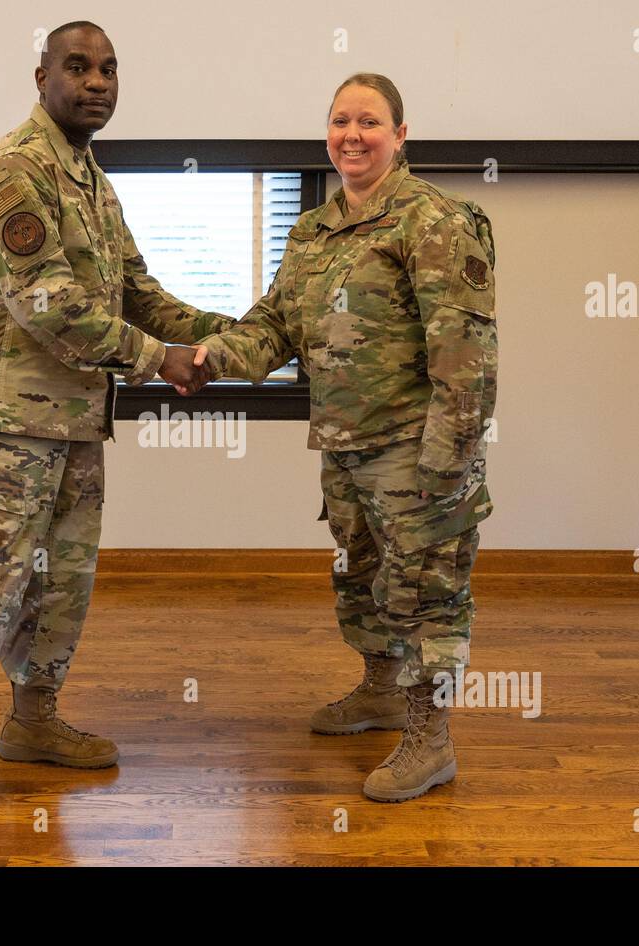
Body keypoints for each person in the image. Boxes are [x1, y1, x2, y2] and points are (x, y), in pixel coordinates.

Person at [0, 20, 227, 829]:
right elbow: (47, 305)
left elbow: (138, 293)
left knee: (60, 585)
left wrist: (237, 333)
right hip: (5, 424)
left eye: (110, 69)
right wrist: (162, 358)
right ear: (40, 76)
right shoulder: (16, 171)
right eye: (78, 67)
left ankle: (32, 721)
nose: (98, 82)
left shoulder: (92, 182)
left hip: (76, 424)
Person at [194, 73, 498, 802]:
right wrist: (203, 359)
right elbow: (274, 327)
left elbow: (466, 358)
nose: (351, 135)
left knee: (425, 590)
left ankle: (431, 740)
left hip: (414, 452)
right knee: (362, 576)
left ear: (400, 134)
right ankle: (379, 693)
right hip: (344, 448)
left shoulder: (434, 221)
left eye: (369, 121)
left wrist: (447, 466)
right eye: (339, 121)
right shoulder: (312, 230)